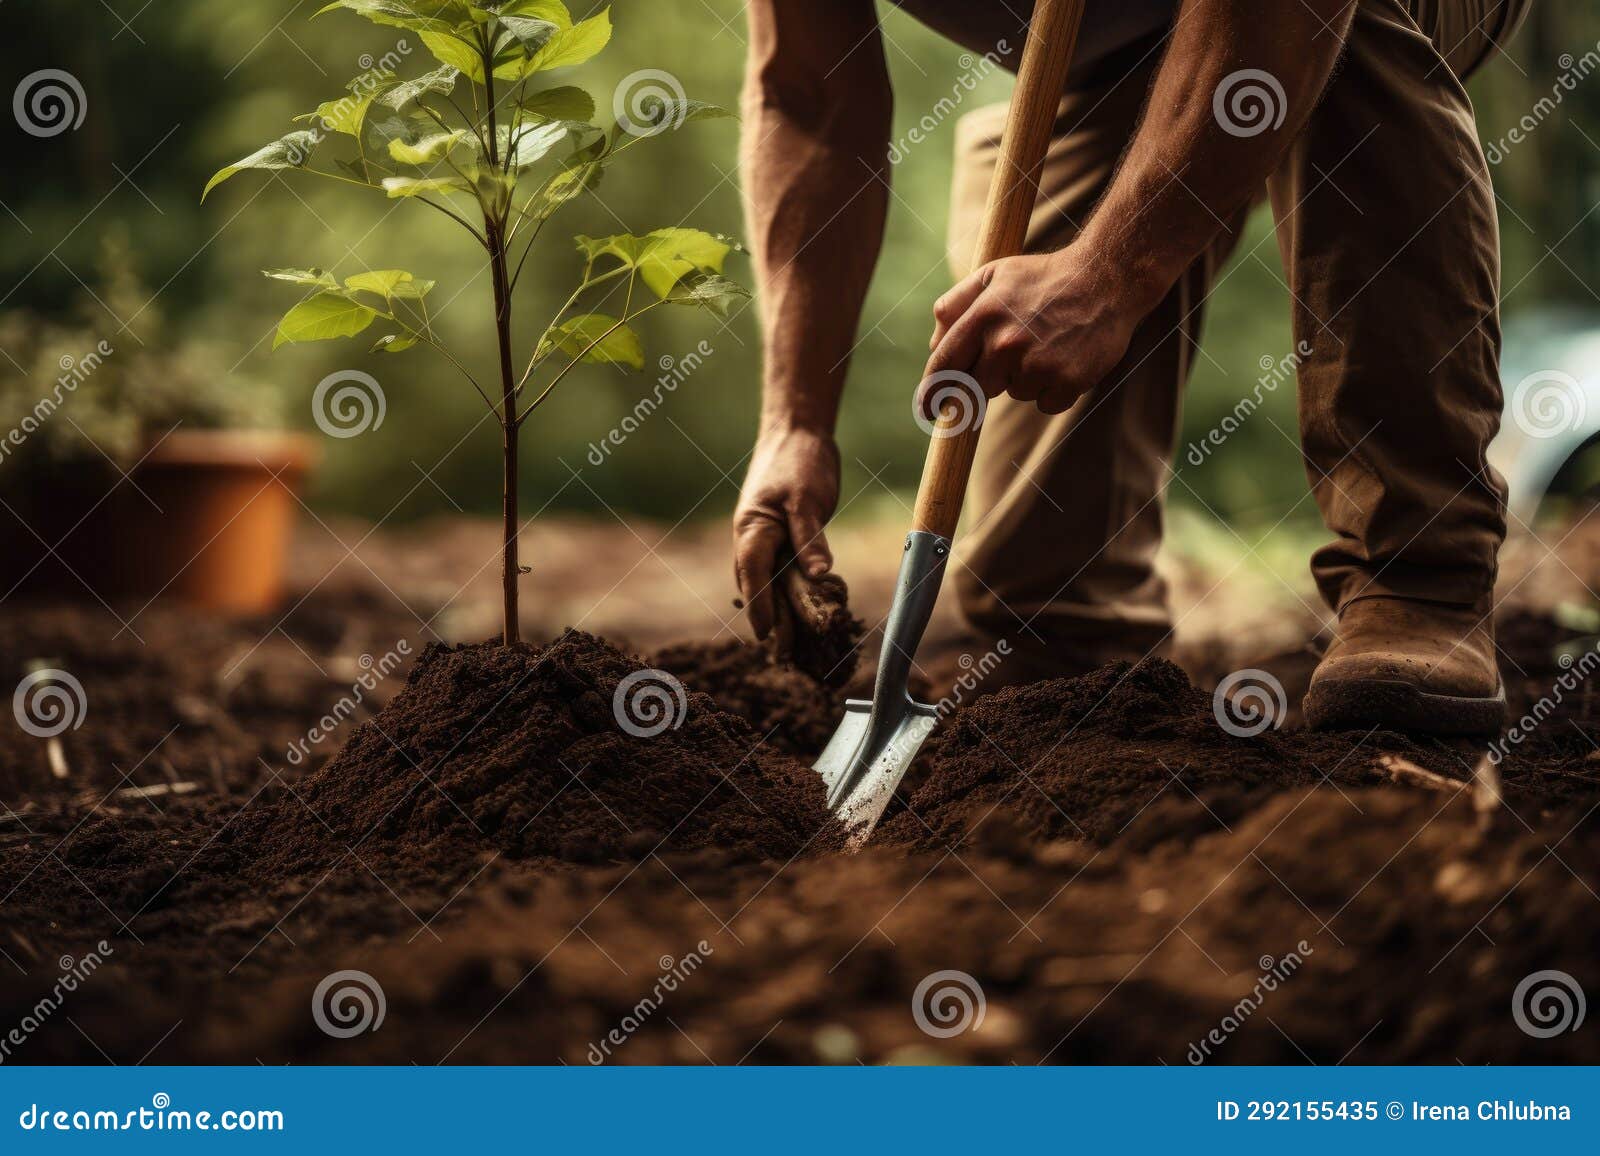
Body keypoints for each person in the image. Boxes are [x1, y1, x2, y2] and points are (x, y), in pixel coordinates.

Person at [732, 0, 1531, 735]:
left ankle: (1418, 577)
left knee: (1340, 25)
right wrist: (793, 423)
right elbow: (807, 97)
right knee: (1043, 581)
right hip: (1117, 55)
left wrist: (1108, 274)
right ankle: (1075, 635)